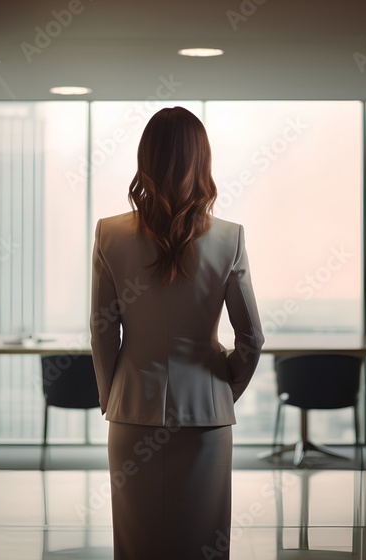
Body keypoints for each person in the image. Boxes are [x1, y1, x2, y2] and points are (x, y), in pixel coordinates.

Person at [90, 106, 265, 560]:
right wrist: (222, 388)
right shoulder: (229, 237)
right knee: (202, 544)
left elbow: (103, 331)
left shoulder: (109, 234)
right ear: (201, 160)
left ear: (145, 158)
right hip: (207, 414)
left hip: (132, 411)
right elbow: (251, 338)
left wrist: (112, 396)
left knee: (137, 546)